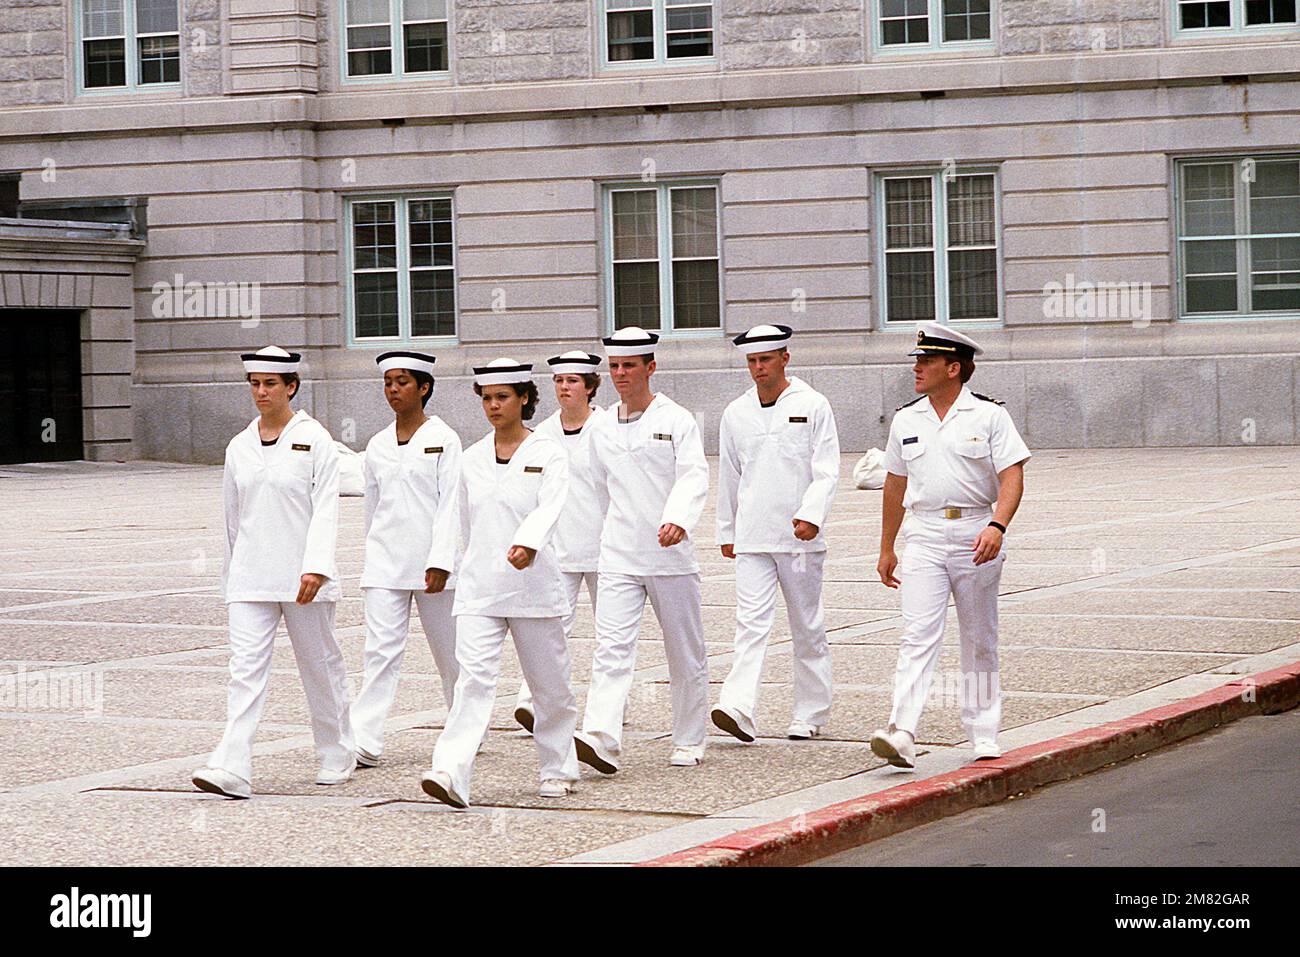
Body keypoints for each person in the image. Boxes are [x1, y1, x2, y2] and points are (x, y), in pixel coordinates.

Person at [192, 346, 354, 799]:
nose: (261, 392)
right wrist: (230, 580)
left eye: (270, 384)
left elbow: (326, 509)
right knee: (244, 671)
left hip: (305, 577)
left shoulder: (315, 439)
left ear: (291, 387)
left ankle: (336, 749)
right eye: (255, 384)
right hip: (251, 576)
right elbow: (231, 516)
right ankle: (232, 764)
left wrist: (317, 567)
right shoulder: (239, 445)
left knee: (319, 665)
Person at [870, 322, 1030, 769]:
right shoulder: (906, 419)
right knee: (917, 634)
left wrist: (998, 525)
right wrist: (887, 547)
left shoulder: (989, 416)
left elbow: (1012, 474)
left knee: (979, 636)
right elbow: (894, 484)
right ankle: (902, 730)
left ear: (954, 368)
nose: (917, 368)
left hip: (976, 530)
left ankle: (983, 731)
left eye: (927, 361)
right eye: (917, 361)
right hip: (924, 534)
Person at [421, 359, 580, 808]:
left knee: (549, 685)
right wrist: (440, 563)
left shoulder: (548, 453)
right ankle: (450, 771)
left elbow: (550, 508)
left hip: (534, 587)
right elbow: (451, 515)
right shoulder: (470, 458)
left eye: (502, 397)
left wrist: (528, 544)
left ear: (525, 398)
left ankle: (558, 766)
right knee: (472, 680)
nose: (493, 406)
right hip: (480, 588)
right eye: (487, 398)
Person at [574, 326, 710, 773]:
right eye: (613, 366)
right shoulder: (601, 426)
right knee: (611, 647)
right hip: (617, 554)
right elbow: (594, 487)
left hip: (669, 555)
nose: (620, 374)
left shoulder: (676, 419)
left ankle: (689, 738)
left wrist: (678, 519)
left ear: (650, 367)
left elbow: (693, 475)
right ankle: (601, 735)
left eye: (629, 365)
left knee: (683, 650)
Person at [713, 324, 840, 743]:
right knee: (749, 624)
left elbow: (827, 469)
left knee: (806, 625)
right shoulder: (736, 412)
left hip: (799, 538)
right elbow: (730, 475)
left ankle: (811, 712)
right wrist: (727, 529)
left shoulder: (814, 404)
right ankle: (737, 706)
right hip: (752, 536)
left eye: (765, 359)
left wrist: (812, 515)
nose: (757, 368)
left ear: (785, 358)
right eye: (751, 361)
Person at [349, 351, 463, 767]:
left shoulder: (445, 439)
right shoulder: (377, 444)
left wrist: (442, 560)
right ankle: (365, 737)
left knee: (451, 655)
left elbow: (452, 504)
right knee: (379, 652)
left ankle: (465, 724)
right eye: (388, 383)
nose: (393, 390)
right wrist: (371, 558)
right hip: (385, 565)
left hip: (435, 567)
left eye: (402, 382)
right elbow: (372, 509)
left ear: (425, 387)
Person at [513, 350, 605, 734]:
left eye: (572, 382)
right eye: (559, 381)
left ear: (589, 387)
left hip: (605, 545)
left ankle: (610, 706)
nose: (564, 388)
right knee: (553, 626)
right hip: (560, 546)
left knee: (610, 631)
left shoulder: (608, 427)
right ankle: (530, 700)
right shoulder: (544, 434)